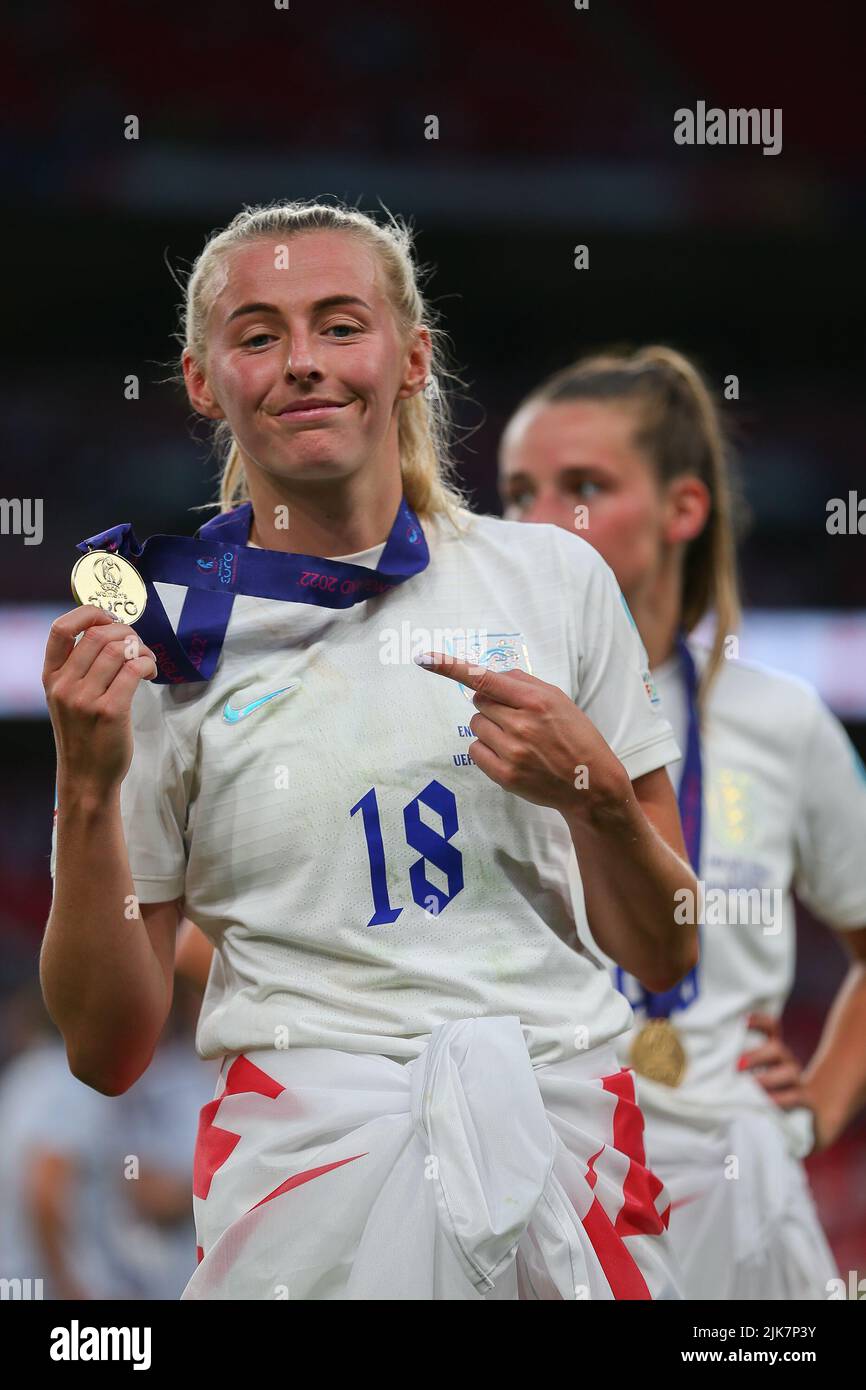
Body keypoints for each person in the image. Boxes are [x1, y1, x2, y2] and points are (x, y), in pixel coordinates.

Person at [42, 200, 698, 1301]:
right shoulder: (162, 641)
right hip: (310, 1175)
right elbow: (107, 1053)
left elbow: (669, 955)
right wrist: (87, 786)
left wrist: (590, 792)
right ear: (206, 381)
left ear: (410, 358)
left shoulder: (554, 581)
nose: (303, 362)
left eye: (340, 325)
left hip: (561, 1140)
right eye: (257, 335)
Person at [499, 344, 866, 1299]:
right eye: (518, 491)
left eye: (583, 486)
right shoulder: (473, 712)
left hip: (728, 1184)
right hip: (531, 1170)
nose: (541, 520)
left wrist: (819, 1107)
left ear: (683, 511)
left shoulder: (778, 719)